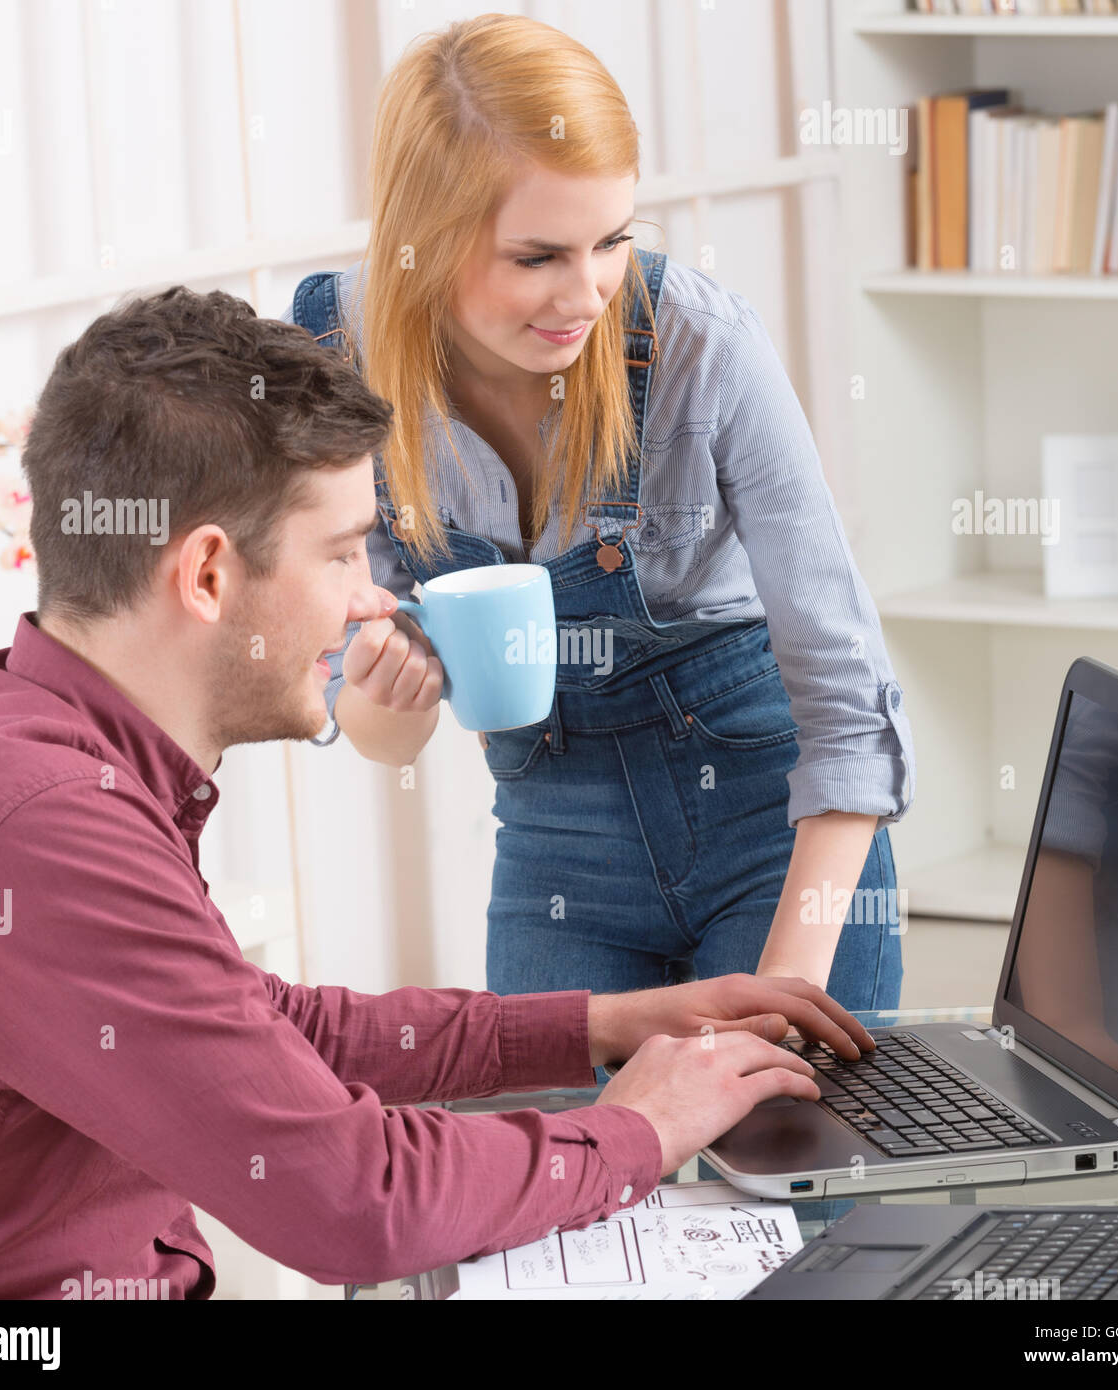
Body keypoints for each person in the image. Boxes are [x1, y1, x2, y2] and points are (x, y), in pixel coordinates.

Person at [0, 285, 876, 1297]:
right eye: (338, 553)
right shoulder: (48, 825)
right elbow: (356, 1201)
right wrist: (637, 1126)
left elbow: (262, 1030)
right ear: (204, 577)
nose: (373, 596)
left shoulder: (26, 737)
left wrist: (601, 1023)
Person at [292, 14, 916, 1034]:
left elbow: (847, 701)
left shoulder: (698, 344)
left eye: (613, 240)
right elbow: (369, 725)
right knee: (559, 1181)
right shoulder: (334, 352)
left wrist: (787, 986)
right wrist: (384, 687)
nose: (585, 295)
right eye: (537, 256)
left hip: (774, 824)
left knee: (780, 1179)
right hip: (556, 845)